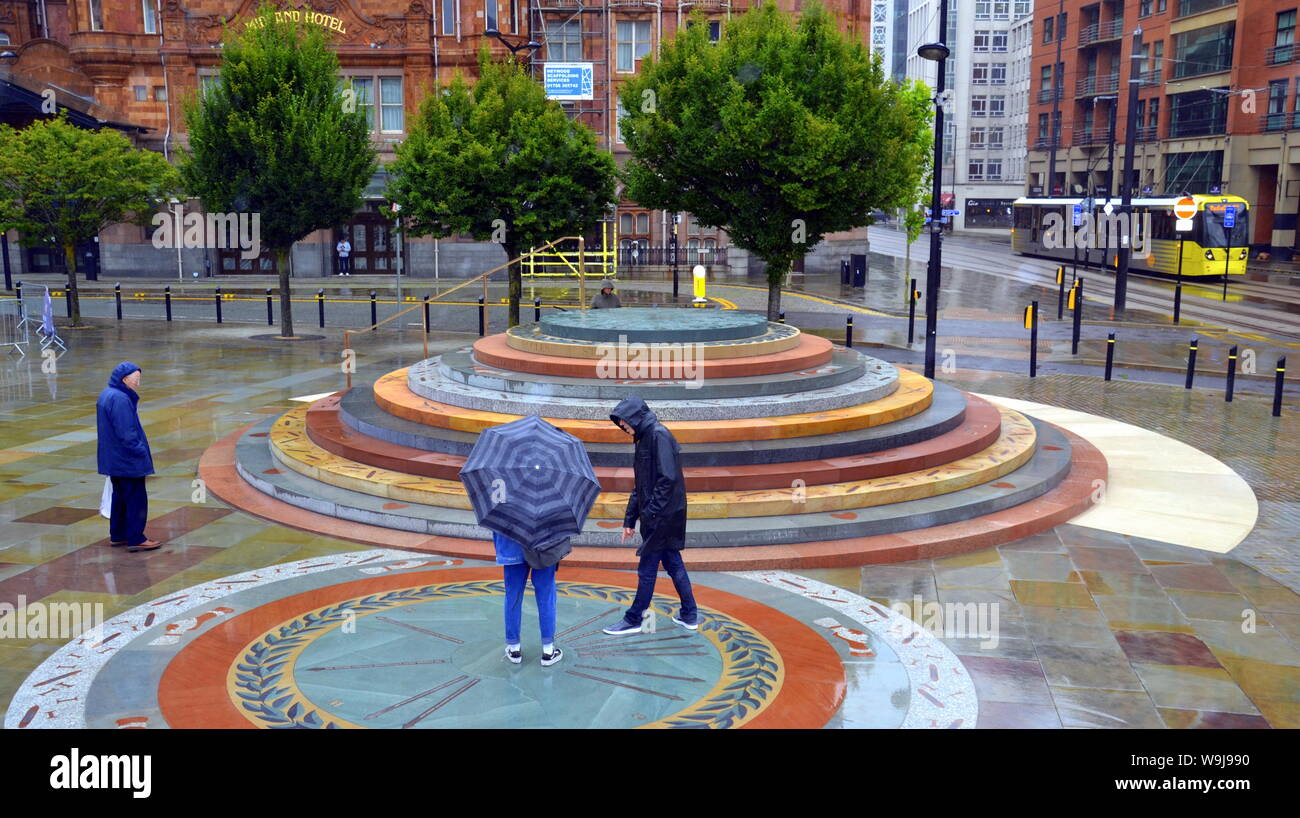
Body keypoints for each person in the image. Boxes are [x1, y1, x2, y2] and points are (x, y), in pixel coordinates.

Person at [602, 396, 697, 635]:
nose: (622, 426)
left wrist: (651, 514)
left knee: (647, 568)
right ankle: (689, 613)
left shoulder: (658, 435)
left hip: (663, 518)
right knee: (673, 563)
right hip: (659, 516)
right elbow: (641, 484)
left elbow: (668, 479)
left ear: (635, 416)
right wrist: (629, 519)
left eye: (624, 421)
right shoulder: (644, 438)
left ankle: (634, 618)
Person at [96, 362, 160, 552]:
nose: (138, 384)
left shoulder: (106, 394)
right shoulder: (121, 399)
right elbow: (127, 433)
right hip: (127, 459)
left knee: (120, 496)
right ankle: (136, 537)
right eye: (136, 380)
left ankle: (118, 534)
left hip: (113, 458)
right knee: (136, 498)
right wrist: (140, 451)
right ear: (124, 380)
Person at [494, 530, 568, 666]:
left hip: (512, 546)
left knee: (513, 596)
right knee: (546, 596)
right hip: (544, 544)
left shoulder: (503, 507)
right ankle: (548, 649)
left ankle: (514, 647)